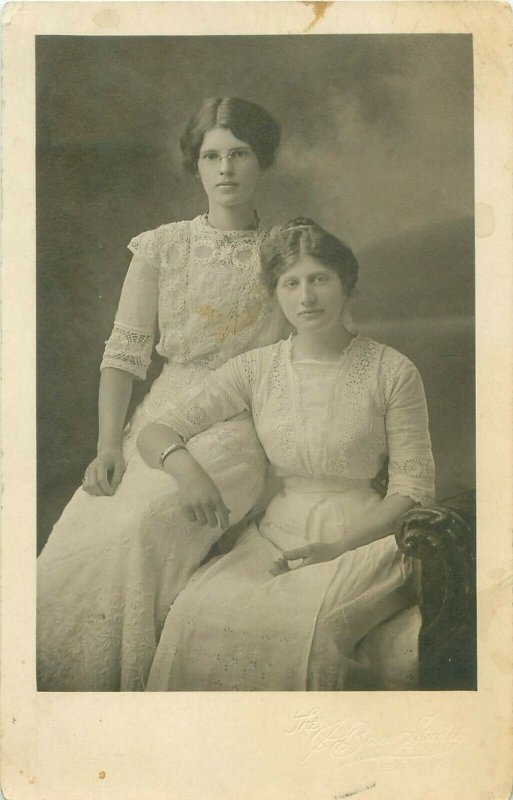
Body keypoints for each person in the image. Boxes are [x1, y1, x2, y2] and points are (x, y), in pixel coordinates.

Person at [37, 97, 287, 691]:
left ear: (262, 162)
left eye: (239, 154)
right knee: (88, 528)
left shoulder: (285, 252)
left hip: (241, 427)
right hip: (162, 415)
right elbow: (124, 354)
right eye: (212, 156)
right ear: (195, 166)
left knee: (142, 526)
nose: (225, 169)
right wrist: (108, 446)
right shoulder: (161, 247)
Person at [137, 218, 436, 691]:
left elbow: (412, 490)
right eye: (290, 283)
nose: (307, 297)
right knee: (196, 614)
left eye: (320, 279)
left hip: (365, 536)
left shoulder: (392, 370)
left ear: (345, 284)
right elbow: (156, 430)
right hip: (274, 536)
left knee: (305, 628)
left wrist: (338, 548)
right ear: (275, 295)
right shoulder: (256, 369)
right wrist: (187, 469)